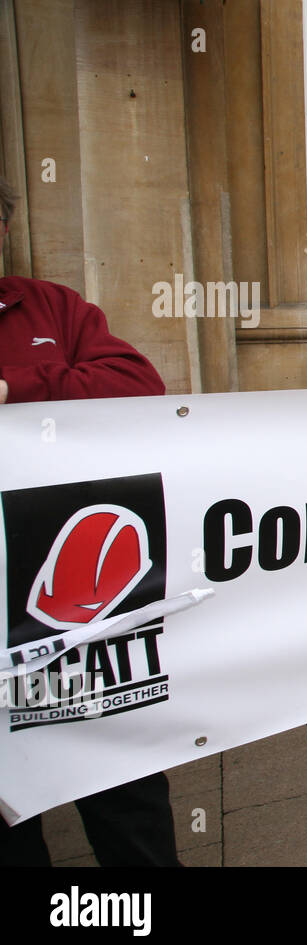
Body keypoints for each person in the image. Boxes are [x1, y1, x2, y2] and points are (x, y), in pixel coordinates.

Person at [0, 174, 180, 866]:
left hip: (76, 617)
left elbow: (136, 384)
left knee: (125, 797)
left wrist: (17, 389)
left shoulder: (51, 308)